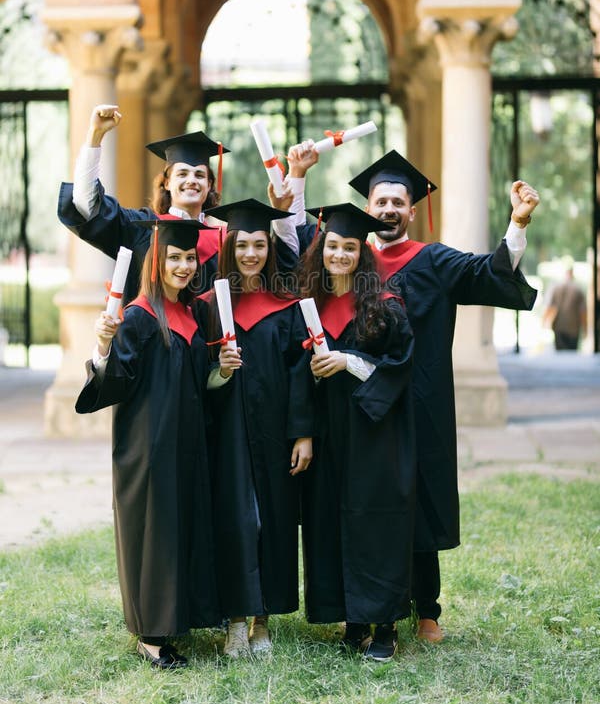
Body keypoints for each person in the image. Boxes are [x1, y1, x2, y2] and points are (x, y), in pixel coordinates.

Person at [276, 145, 540, 643]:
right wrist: (297, 179)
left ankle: (426, 609)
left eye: (398, 203)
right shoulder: (348, 261)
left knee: (418, 502)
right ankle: (368, 607)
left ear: (411, 211)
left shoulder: (433, 261)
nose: (389, 211)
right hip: (357, 409)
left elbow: (490, 274)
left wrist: (517, 225)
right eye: (381, 202)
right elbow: (296, 254)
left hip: (420, 403)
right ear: (368, 208)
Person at [75, 219, 220, 668]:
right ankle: (150, 636)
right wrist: (102, 347)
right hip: (149, 447)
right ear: (156, 262)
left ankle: (179, 619)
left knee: (183, 525)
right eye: (173, 257)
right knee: (155, 532)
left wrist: (225, 368)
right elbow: (113, 380)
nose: (182, 265)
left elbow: (202, 382)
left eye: (188, 258)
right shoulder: (139, 316)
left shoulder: (196, 313)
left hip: (189, 442)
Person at [195, 199, 315, 658]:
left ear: (269, 248)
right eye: (242, 244)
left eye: (259, 244)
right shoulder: (207, 307)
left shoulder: (285, 308)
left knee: (274, 521)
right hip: (225, 434)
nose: (250, 253)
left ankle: (263, 619)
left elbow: (301, 373)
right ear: (229, 247)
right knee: (235, 521)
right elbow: (195, 378)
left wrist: (303, 433)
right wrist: (220, 369)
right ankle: (236, 621)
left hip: (273, 434)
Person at [298, 203, 415, 663]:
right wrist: (303, 429)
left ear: (361, 254)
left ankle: (384, 627)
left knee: (375, 521)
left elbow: (400, 367)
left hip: (374, 433)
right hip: (329, 433)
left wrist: (347, 361)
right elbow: (296, 373)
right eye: (333, 246)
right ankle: (353, 620)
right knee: (331, 519)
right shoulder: (312, 304)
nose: (340, 254)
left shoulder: (385, 305)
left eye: (350, 247)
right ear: (321, 250)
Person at [58, 104, 231, 303]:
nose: (191, 180)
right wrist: (94, 137)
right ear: (167, 182)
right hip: (146, 333)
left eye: (199, 175)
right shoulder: (142, 228)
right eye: (182, 174)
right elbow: (87, 206)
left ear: (209, 185)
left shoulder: (223, 241)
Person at [543, 262, 587, 350]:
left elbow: (549, 307)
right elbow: (583, 312)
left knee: (560, 355)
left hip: (559, 326)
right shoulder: (578, 289)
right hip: (573, 328)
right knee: (571, 355)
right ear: (572, 273)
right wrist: (585, 329)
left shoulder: (555, 288)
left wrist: (544, 322)